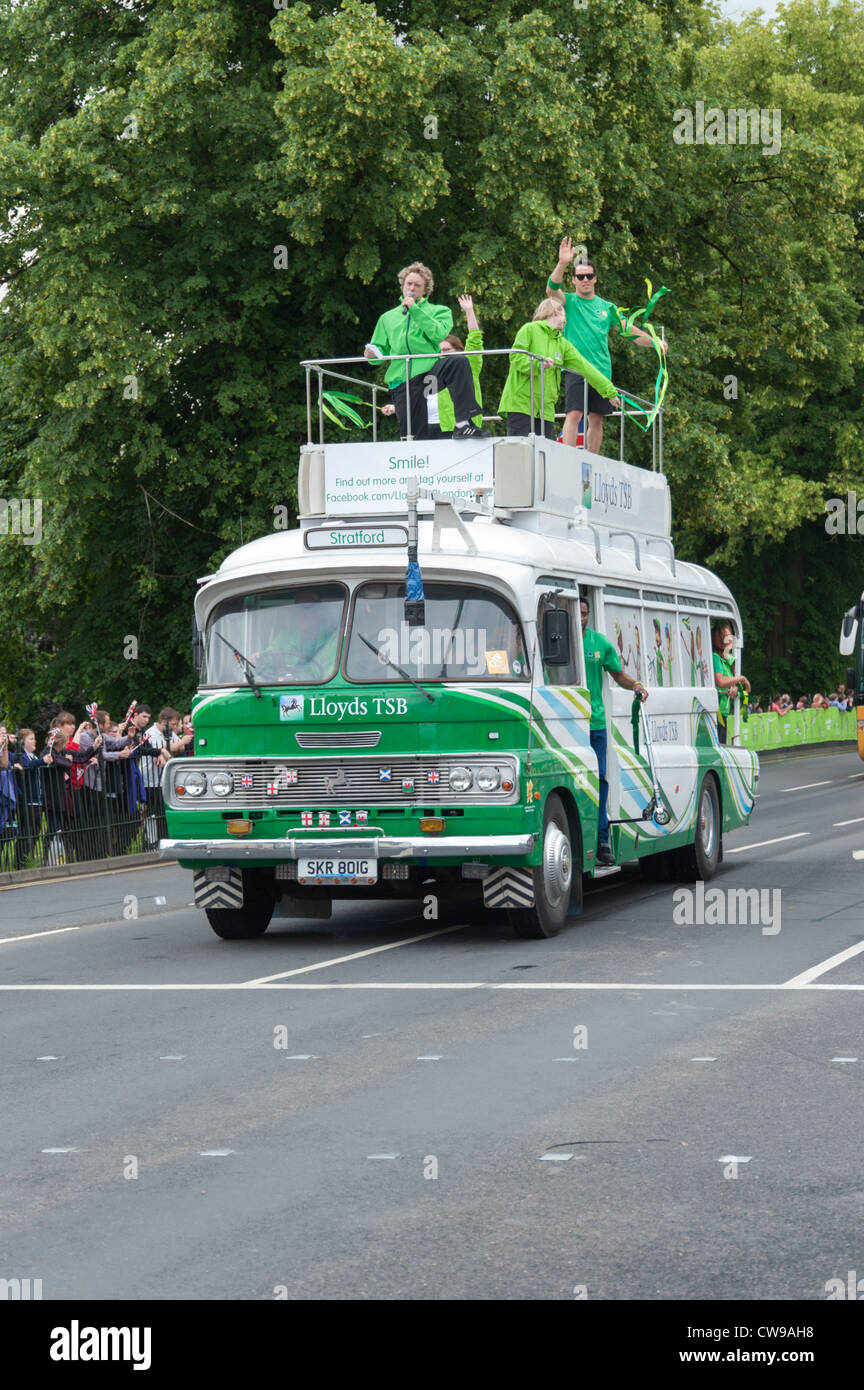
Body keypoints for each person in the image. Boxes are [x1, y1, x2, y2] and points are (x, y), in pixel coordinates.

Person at [546, 238, 667, 453]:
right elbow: (551, 290)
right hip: (576, 366)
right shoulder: (570, 302)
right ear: (573, 280)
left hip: (601, 369)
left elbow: (631, 332)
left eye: (589, 276)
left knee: (596, 418)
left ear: (595, 279)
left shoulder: (607, 307)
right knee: (574, 413)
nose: (585, 280)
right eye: (580, 276)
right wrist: (563, 263)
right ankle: (567, 458)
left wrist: (655, 343)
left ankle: (590, 461)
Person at [365, 262, 488, 440]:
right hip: (402, 378)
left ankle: (463, 423)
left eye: (417, 285)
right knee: (413, 436)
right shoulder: (387, 318)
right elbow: (379, 354)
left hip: (429, 374)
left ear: (425, 290)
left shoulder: (440, 311)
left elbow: (438, 334)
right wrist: (371, 355)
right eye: (409, 284)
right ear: (402, 285)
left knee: (459, 361)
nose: (412, 288)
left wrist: (414, 309)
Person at [580, 597, 648, 866]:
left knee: (599, 781)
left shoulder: (600, 643)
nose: (581, 618)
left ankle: (602, 841)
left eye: (585, 613)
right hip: (565, 723)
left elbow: (619, 675)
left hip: (594, 723)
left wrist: (636, 685)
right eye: (578, 613)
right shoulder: (556, 639)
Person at [498, 298, 620, 438]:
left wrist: (609, 391)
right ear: (556, 311)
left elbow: (585, 367)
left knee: (545, 457)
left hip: (546, 410)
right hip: (521, 404)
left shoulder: (562, 344)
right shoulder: (529, 329)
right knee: (519, 453)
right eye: (564, 317)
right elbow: (516, 358)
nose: (566, 322)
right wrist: (539, 364)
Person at [712, 623, 751, 742]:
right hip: (715, 711)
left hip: (723, 711)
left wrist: (736, 689)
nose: (731, 640)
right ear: (719, 639)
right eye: (727, 636)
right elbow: (720, 681)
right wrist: (742, 679)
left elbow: (731, 684)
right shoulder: (715, 658)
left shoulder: (728, 660)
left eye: (731, 636)